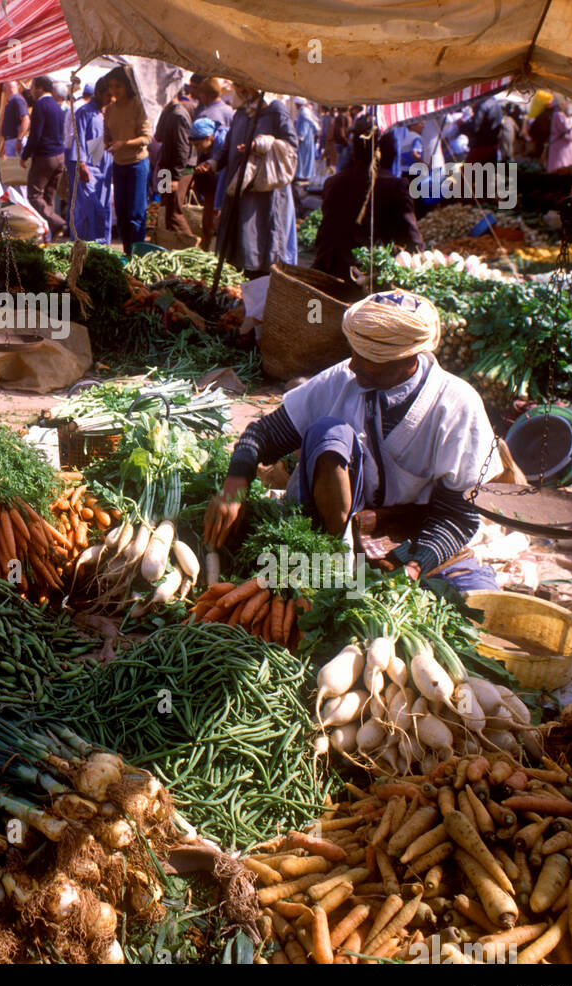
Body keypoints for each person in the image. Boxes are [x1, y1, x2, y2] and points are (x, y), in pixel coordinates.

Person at [203, 289, 503, 597]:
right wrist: (233, 487)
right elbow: (262, 433)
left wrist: (414, 567)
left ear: (407, 359)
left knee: (475, 601)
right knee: (327, 432)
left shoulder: (455, 406)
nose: (353, 365)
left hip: (411, 537)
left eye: (368, 359)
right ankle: (332, 554)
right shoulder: (342, 380)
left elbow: (458, 515)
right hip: (332, 531)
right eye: (354, 352)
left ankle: (362, 572)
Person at [212, 79, 298, 277]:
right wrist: (214, 163)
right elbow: (227, 147)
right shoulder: (240, 112)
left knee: (262, 239)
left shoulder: (276, 110)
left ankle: (262, 281)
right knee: (239, 242)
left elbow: (291, 148)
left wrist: (260, 144)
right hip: (239, 187)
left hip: (265, 192)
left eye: (244, 84)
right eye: (237, 85)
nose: (241, 89)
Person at [313, 132, 424, 280]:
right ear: (391, 155)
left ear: (354, 154)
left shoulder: (334, 182)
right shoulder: (396, 187)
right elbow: (412, 240)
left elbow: (325, 233)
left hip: (327, 268)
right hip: (367, 276)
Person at [100, 67, 153, 257]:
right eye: (111, 86)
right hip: (118, 164)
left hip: (137, 165)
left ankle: (138, 256)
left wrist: (124, 143)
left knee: (136, 215)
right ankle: (127, 251)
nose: (114, 90)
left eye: (118, 86)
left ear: (127, 86)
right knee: (122, 215)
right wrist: (107, 143)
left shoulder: (138, 105)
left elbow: (147, 138)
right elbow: (107, 133)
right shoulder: (110, 109)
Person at [21, 75, 68, 239]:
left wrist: (25, 155)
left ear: (40, 88)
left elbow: (35, 135)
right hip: (59, 156)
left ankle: (57, 222)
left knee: (34, 196)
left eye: (33, 87)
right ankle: (50, 233)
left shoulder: (40, 105)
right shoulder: (57, 106)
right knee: (48, 197)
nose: (31, 92)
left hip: (45, 156)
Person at [65, 82, 113, 243]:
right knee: (87, 209)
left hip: (102, 167)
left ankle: (101, 246)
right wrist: (82, 164)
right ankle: (82, 245)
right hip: (87, 167)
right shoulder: (84, 112)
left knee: (102, 207)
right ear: (98, 93)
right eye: (108, 95)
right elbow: (78, 139)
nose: (110, 99)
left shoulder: (103, 112)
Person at [192, 77, 234, 248]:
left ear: (204, 94)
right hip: (224, 169)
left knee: (210, 211)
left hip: (212, 171)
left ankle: (208, 245)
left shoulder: (206, 114)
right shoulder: (230, 111)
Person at [153, 78, 195, 235]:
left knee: (174, 214)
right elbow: (158, 137)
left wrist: (176, 178)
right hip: (166, 168)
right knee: (164, 210)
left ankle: (193, 250)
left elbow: (182, 149)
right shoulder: (168, 111)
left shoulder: (178, 114)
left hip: (178, 171)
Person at [292, 97, 319, 216]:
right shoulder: (305, 111)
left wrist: (299, 139)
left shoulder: (303, 112)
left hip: (304, 142)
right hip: (307, 140)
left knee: (303, 160)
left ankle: (303, 178)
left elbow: (303, 129)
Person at [0, 81, 30, 158]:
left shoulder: (17, 100)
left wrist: (19, 139)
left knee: (17, 167)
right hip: (12, 140)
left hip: (15, 140)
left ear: (17, 86)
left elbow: (26, 120)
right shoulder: (12, 101)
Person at [546, 98, 572, 173]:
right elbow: (566, 130)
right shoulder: (559, 115)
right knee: (561, 164)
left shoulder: (556, 114)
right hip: (561, 145)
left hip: (558, 144)